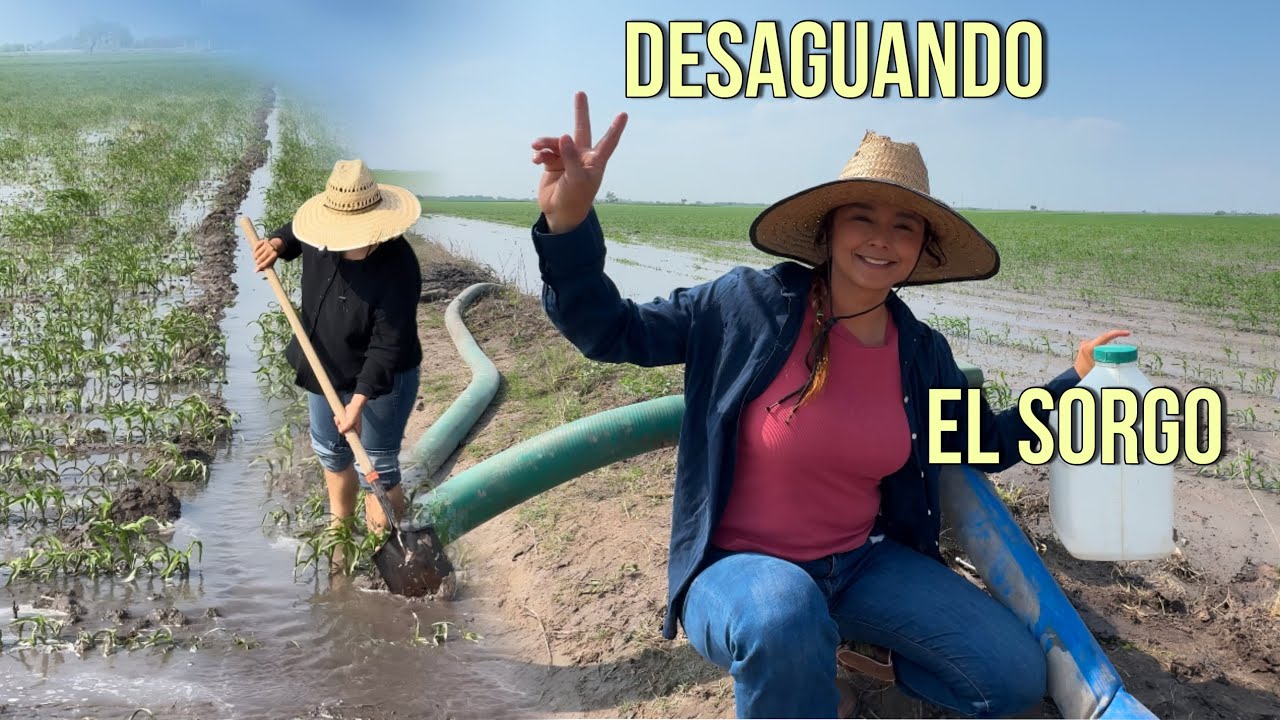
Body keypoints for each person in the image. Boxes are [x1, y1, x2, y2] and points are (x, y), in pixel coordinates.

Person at [527, 92, 1129, 719]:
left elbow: (988, 441)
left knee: (1011, 674)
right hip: (741, 572)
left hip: (860, 563)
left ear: (922, 249)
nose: (881, 239)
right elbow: (612, 331)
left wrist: (1075, 378)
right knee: (783, 615)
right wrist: (568, 227)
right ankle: (799, 659)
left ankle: (836, 657)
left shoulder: (920, 352)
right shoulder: (745, 307)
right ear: (829, 230)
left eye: (905, 226)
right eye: (862, 218)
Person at [253, 158, 424, 535]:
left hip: (384, 380)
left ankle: (384, 547)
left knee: (376, 465)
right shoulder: (319, 236)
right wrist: (277, 244)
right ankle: (339, 534)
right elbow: (295, 232)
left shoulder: (398, 268)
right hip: (325, 366)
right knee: (332, 455)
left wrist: (358, 403)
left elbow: (387, 346)